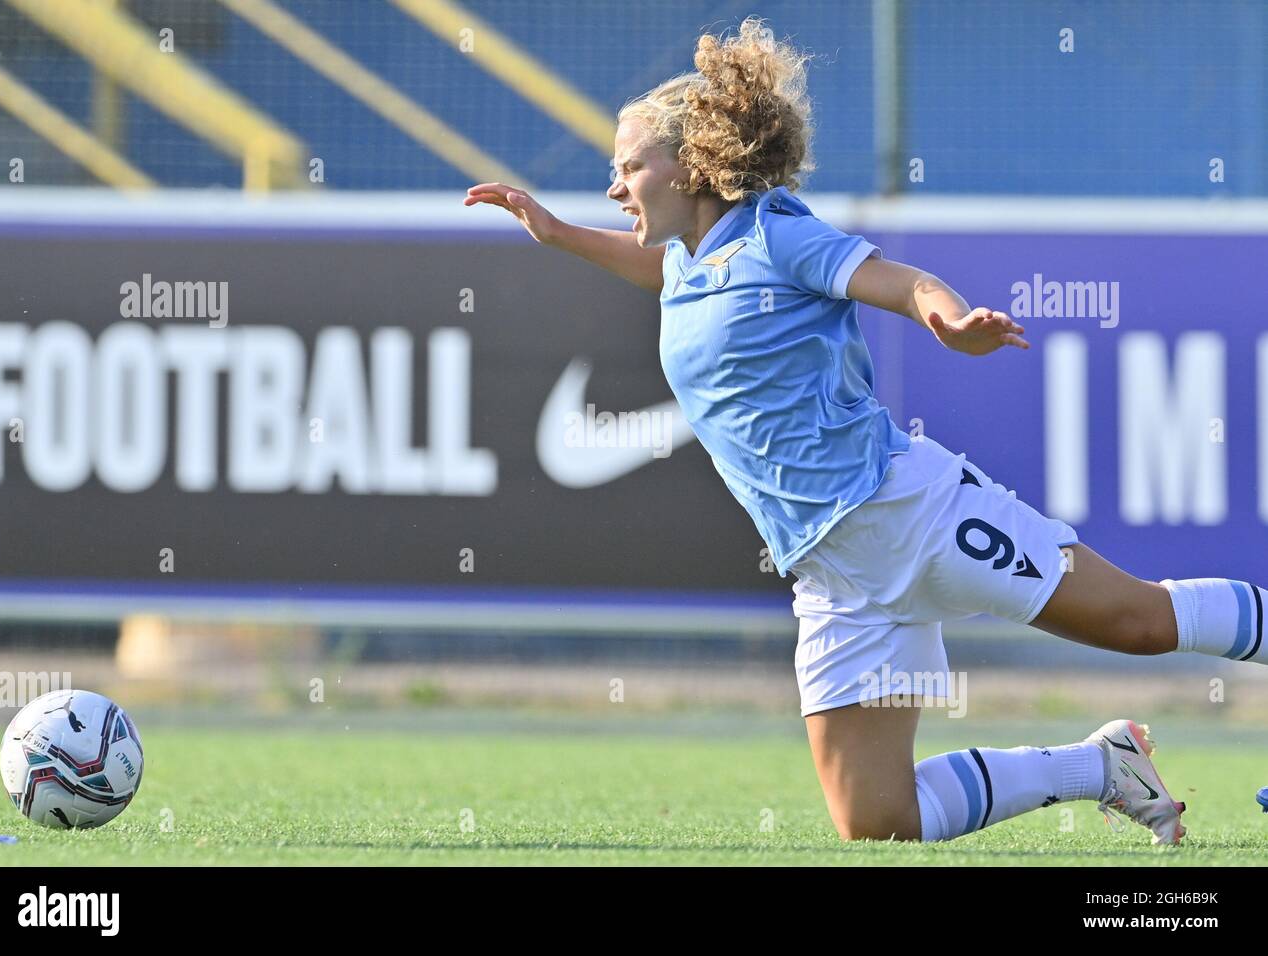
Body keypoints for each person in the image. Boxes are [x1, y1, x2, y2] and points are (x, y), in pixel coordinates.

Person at [465, 17, 1259, 845]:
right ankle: (1102, 768)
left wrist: (950, 321)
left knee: (1138, 624)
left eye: (629, 165)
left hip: (911, 514)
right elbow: (658, 268)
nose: (615, 185)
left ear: (693, 165)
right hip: (834, 578)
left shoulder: (776, 234)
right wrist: (557, 234)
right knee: (877, 822)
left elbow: (901, 280)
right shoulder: (686, 263)